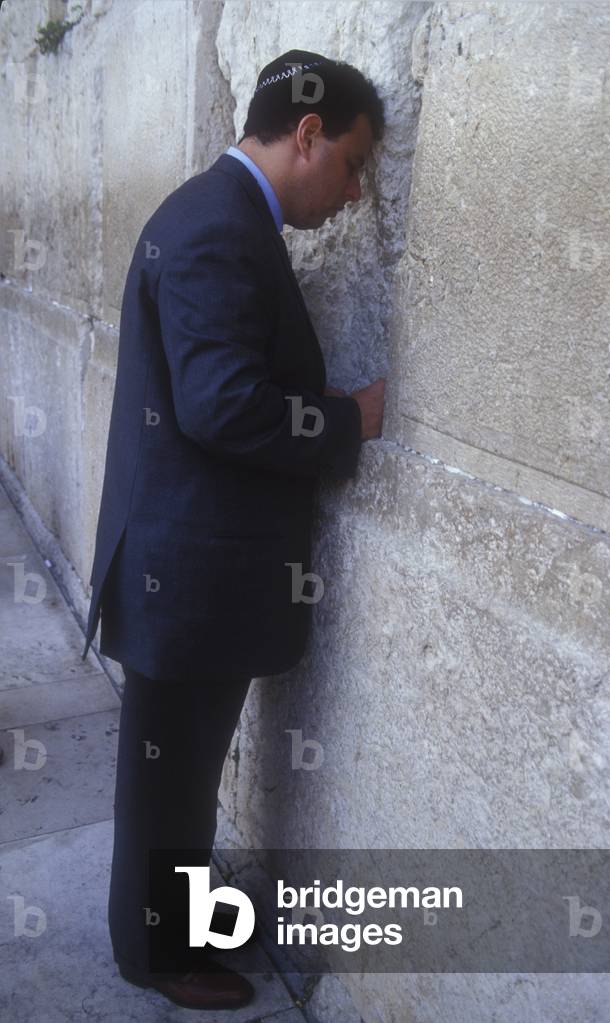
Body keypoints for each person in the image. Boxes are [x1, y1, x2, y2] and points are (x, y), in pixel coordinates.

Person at [81, 50, 386, 1010]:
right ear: (305, 133)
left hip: (185, 560)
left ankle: (166, 929)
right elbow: (221, 405)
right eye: (350, 163)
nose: (352, 192)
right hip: (188, 569)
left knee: (174, 765)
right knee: (171, 774)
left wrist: (307, 402)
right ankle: (161, 955)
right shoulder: (219, 226)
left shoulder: (212, 213)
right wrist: (346, 422)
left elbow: (218, 386)